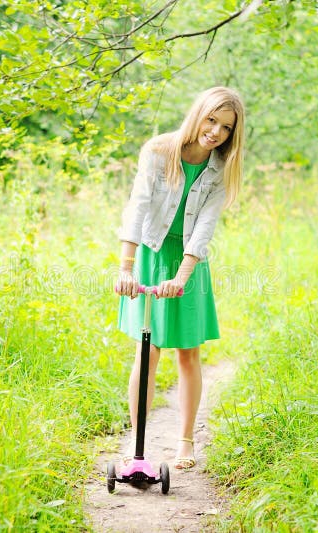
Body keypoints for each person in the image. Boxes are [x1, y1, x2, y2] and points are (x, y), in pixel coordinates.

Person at [114, 86, 245, 469]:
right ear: (197, 114)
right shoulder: (158, 151)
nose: (215, 132)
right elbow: (137, 206)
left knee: (188, 353)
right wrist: (126, 268)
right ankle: (136, 447)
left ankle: (185, 442)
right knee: (148, 350)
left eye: (225, 127)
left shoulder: (221, 168)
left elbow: (205, 225)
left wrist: (184, 276)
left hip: (189, 260)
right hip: (152, 254)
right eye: (211, 120)